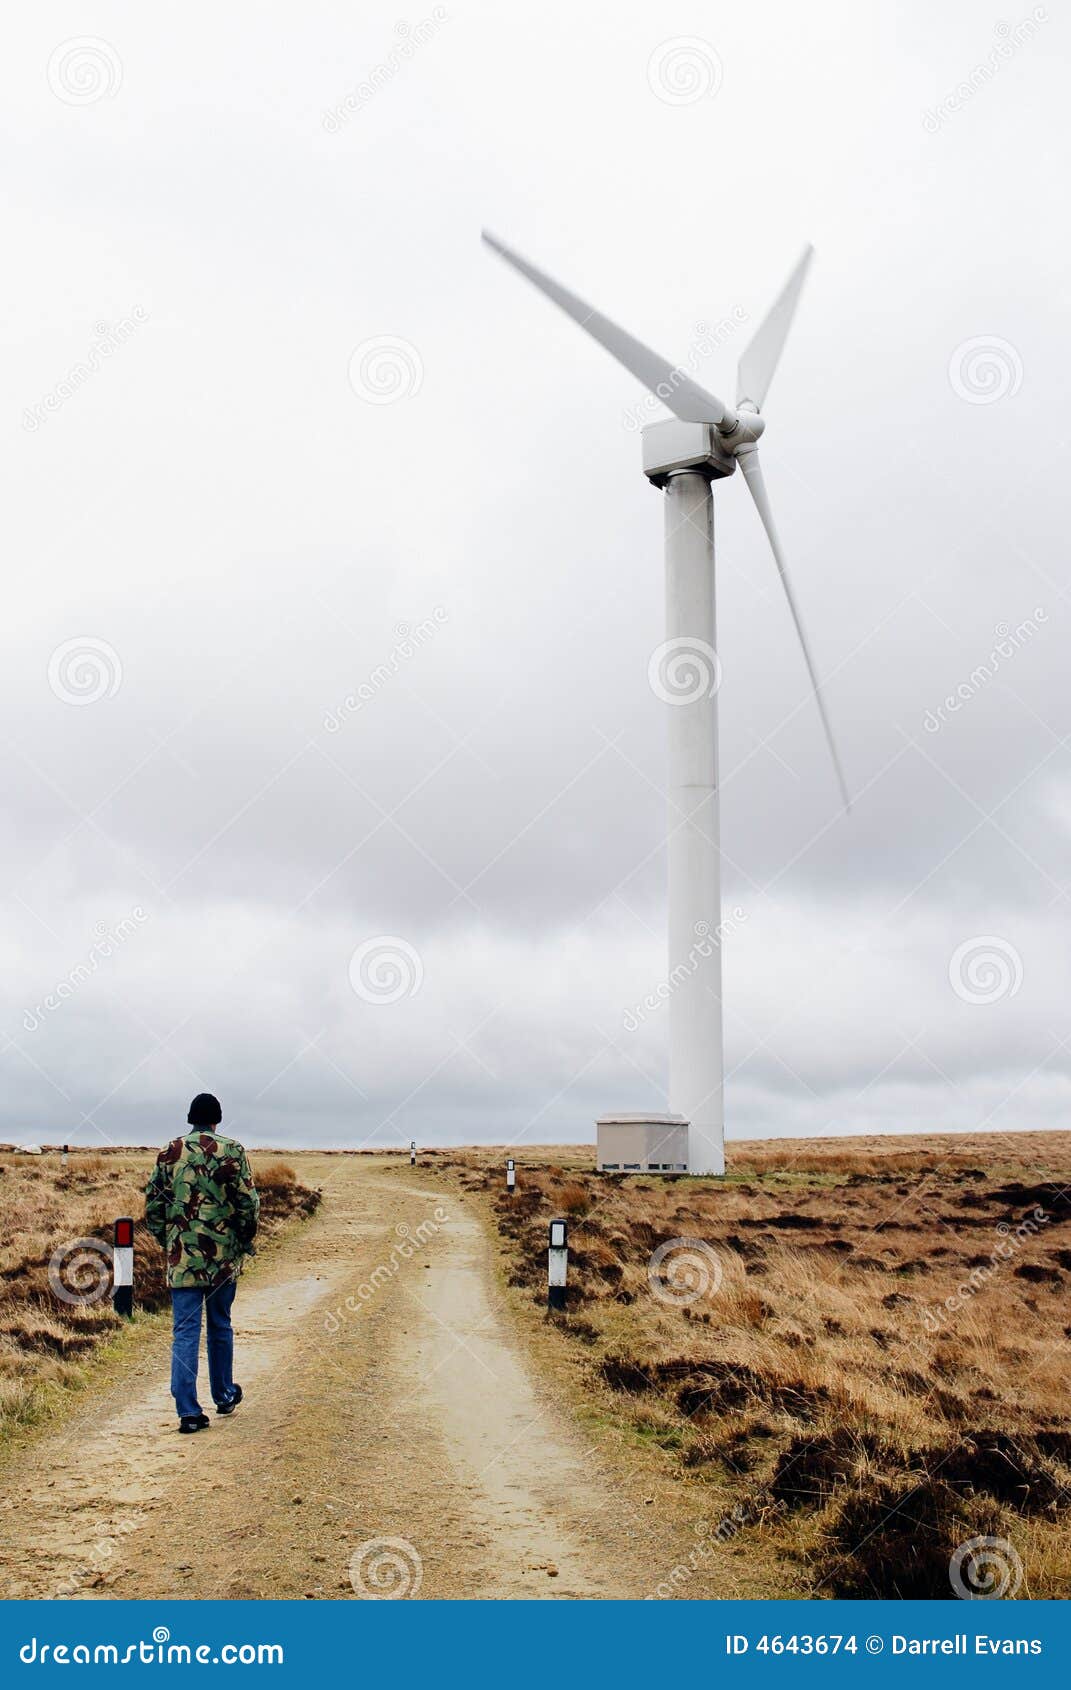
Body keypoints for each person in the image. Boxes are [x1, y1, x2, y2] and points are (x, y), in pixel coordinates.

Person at [144, 1093, 259, 1433]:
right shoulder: (232, 1150)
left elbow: (153, 1206)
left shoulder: (170, 1152)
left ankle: (188, 1411)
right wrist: (242, 1240)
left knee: (185, 1331)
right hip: (223, 1259)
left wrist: (170, 1241)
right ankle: (224, 1394)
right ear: (217, 1120)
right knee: (220, 1325)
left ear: (191, 1118)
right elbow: (248, 1204)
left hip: (183, 1259)